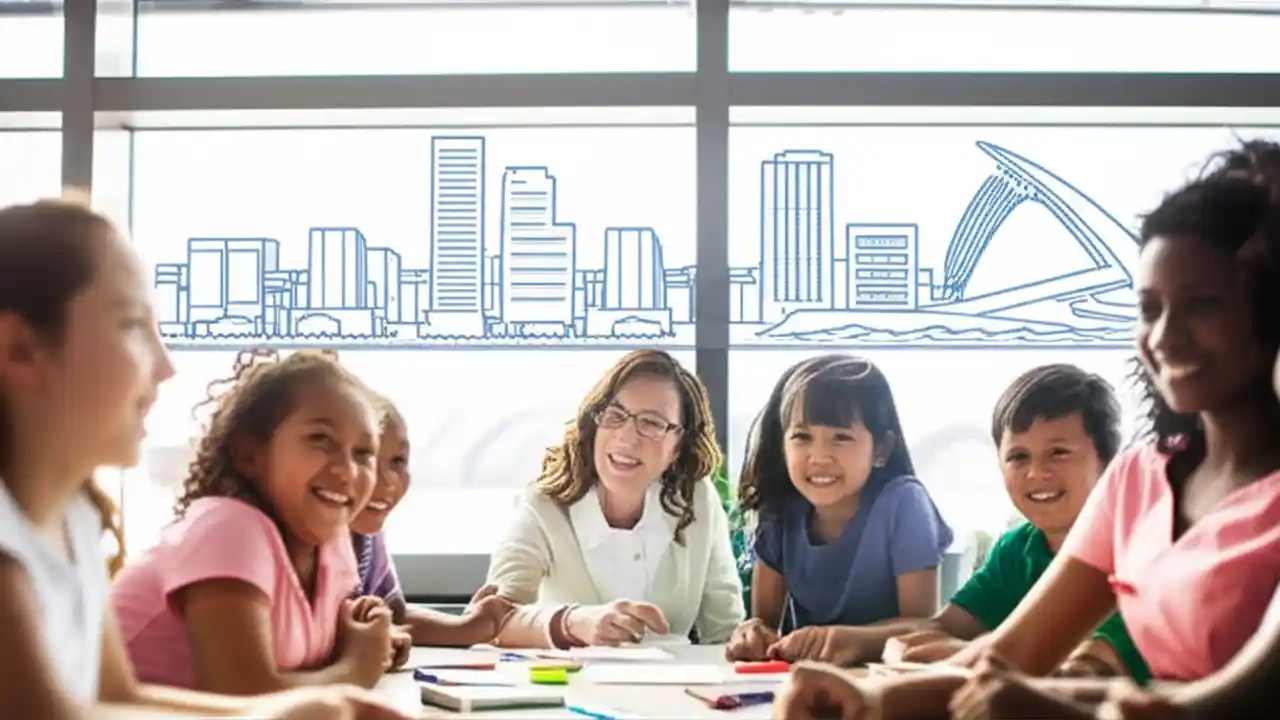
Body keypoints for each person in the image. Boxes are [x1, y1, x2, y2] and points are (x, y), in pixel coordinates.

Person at [769, 138, 1280, 719]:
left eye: (1202, 306)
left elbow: (1244, 700)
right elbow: (1007, 659)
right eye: (1149, 308)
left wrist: (1061, 706)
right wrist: (868, 701)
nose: (1163, 337)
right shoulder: (1139, 477)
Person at [0, 195, 404, 719]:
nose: (166, 365)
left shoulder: (75, 519)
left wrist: (317, 705)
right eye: (131, 326)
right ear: (20, 350)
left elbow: (115, 699)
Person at [111, 348, 399, 693]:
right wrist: (355, 667)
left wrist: (369, 638)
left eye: (364, 453)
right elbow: (242, 693)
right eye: (321, 440)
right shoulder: (228, 527)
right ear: (249, 455)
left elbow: (302, 663)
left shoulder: (334, 549)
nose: (347, 470)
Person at [888, 364, 1149, 682]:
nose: (1036, 473)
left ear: (1109, 462)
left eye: (1058, 453)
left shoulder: (1136, 552)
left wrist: (966, 655)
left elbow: (1082, 670)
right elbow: (945, 627)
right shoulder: (1017, 547)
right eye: (1018, 457)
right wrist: (856, 640)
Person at [481, 349, 745, 648]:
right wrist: (574, 622)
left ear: (678, 447)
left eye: (652, 423)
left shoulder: (696, 497)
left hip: (672, 688)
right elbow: (491, 622)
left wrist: (750, 640)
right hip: (571, 688)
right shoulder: (543, 504)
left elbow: (725, 631)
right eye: (615, 415)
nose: (627, 437)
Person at [725, 355, 953, 665]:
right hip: (799, 687)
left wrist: (847, 640)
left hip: (882, 688)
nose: (818, 457)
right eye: (802, 437)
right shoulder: (778, 509)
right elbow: (765, 625)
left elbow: (922, 626)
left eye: (841, 437)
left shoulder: (905, 505)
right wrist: (751, 633)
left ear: (882, 450)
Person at [348, 394, 514, 649]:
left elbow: (395, 615)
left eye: (398, 461)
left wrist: (468, 627)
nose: (389, 480)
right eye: (367, 459)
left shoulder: (370, 538)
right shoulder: (316, 543)